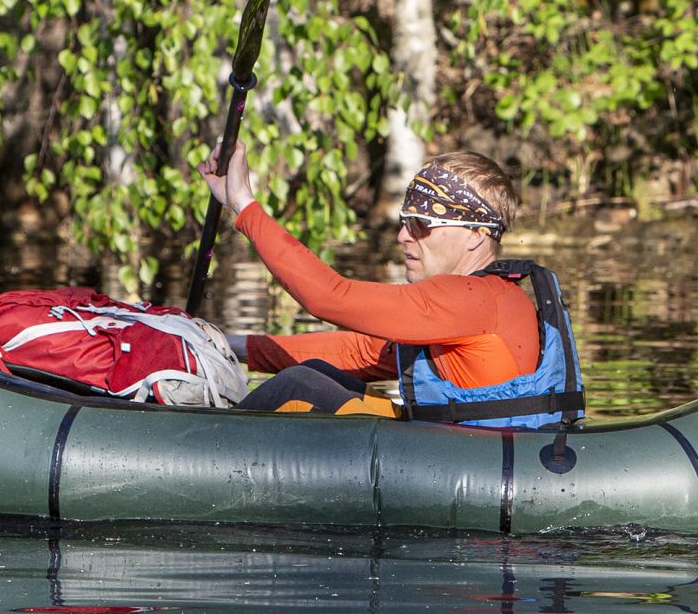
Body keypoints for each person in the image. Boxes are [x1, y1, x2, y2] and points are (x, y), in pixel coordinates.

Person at [195, 144, 583, 426]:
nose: (402, 237)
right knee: (315, 372)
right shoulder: (483, 299)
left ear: (475, 236)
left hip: (468, 465)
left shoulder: (469, 297)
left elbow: (327, 296)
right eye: (404, 222)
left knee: (298, 386)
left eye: (420, 225)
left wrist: (244, 205)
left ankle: (196, 444)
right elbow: (360, 350)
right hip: (459, 452)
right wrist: (219, 343)